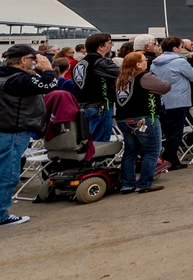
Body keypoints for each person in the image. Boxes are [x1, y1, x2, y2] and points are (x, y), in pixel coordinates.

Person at [0, 44, 57, 227]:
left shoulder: (4, 75)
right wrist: (47, 69)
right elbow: (50, 85)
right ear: (23, 60)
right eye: (33, 59)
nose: (35, 62)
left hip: (5, 128)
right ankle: (1, 215)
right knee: (8, 174)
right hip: (13, 131)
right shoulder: (19, 79)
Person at [114, 51, 171, 194]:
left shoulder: (120, 79)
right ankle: (144, 183)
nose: (147, 62)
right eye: (145, 60)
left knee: (130, 152)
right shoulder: (144, 76)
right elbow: (165, 87)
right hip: (144, 117)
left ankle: (127, 184)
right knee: (152, 151)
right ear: (138, 64)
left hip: (123, 119)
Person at [150, 37, 193, 170]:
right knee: (176, 132)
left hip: (162, 99)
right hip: (178, 99)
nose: (181, 49)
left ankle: (168, 158)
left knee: (167, 131)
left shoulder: (155, 62)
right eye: (180, 47)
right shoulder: (179, 61)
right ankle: (170, 159)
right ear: (175, 48)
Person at [71, 32, 119, 143]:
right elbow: (123, 74)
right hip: (99, 107)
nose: (111, 46)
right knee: (100, 144)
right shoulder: (100, 62)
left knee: (87, 142)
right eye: (109, 43)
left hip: (83, 107)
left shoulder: (79, 64)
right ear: (100, 47)